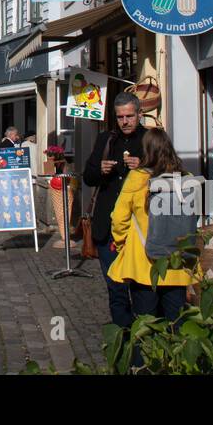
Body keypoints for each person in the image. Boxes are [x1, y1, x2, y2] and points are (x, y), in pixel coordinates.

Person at [106, 129, 199, 359]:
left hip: (144, 264)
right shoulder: (185, 178)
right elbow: (193, 217)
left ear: (146, 151)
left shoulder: (138, 178)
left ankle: (143, 365)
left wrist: (120, 242)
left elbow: (118, 218)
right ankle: (175, 364)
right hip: (177, 263)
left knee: (145, 326)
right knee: (175, 324)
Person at [82, 92, 144, 292]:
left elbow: (169, 173)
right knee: (115, 287)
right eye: (120, 117)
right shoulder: (106, 139)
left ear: (139, 114)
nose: (125, 122)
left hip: (138, 227)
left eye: (129, 116)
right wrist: (99, 169)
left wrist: (145, 168)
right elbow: (88, 177)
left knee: (140, 288)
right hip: (107, 227)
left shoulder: (151, 139)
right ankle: (121, 324)